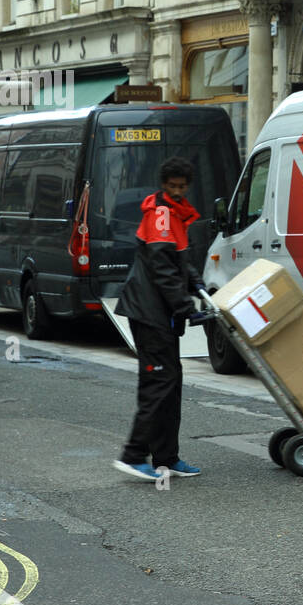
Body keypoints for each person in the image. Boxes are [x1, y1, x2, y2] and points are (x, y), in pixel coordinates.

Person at [112, 156, 208, 481]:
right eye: (173, 186)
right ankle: (133, 454)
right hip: (149, 313)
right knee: (158, 383)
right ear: (164, 185)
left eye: (183, 187)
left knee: (171, 383)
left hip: (160, 315)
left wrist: (196, 282)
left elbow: (179, 259)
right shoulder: (162, 215)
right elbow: (163, 270)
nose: (179, 191)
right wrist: (187, 306)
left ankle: (167, 457)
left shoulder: (176, 214)